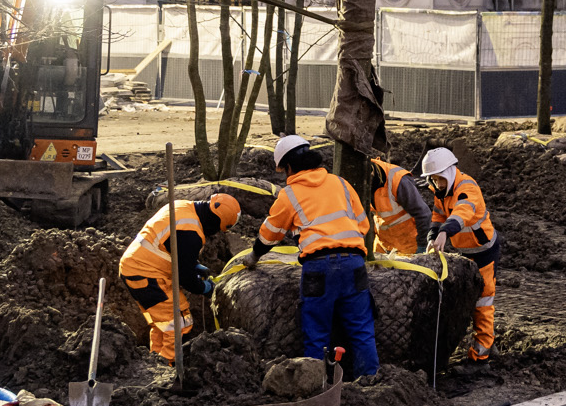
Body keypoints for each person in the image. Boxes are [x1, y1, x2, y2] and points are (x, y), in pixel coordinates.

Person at [250, 134, 380, 376]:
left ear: (288, 166)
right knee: (362, 329)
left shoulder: (289, 194)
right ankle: (369, 382)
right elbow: (363, 224)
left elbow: (270, 234)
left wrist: (254, 256)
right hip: (353, 263)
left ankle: (317, 385)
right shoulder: (341, 183)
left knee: (316, 333)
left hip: (318, 269)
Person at [119, 192, 242, 362]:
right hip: (146, 274)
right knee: (179, 322)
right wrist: (204, 288)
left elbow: (172, 245)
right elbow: (185, 278)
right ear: (216, 222)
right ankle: (169, 365)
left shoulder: (182, 206)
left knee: (162, 324)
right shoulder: (191, 233)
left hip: (135, 267)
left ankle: (155, 361)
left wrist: (192, 264)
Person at [419, 147, 500, 363]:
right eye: (433, 179)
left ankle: (480, 358)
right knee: (470, 300)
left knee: (482, 303)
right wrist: (432, 235)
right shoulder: (442, 191)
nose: (437, 183)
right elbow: (438, 215)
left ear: (449, 171)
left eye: (440, 178)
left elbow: (462, 213)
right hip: (466, 252)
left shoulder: (467, 188)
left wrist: (445, 232)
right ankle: (488, 343)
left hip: (484, 252)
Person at [368, 156, 431, 256]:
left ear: (372, 173)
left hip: (408, 246)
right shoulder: (360, 178)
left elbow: (423, 214)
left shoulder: (398, 180)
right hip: (382, 244)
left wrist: (422, 245)